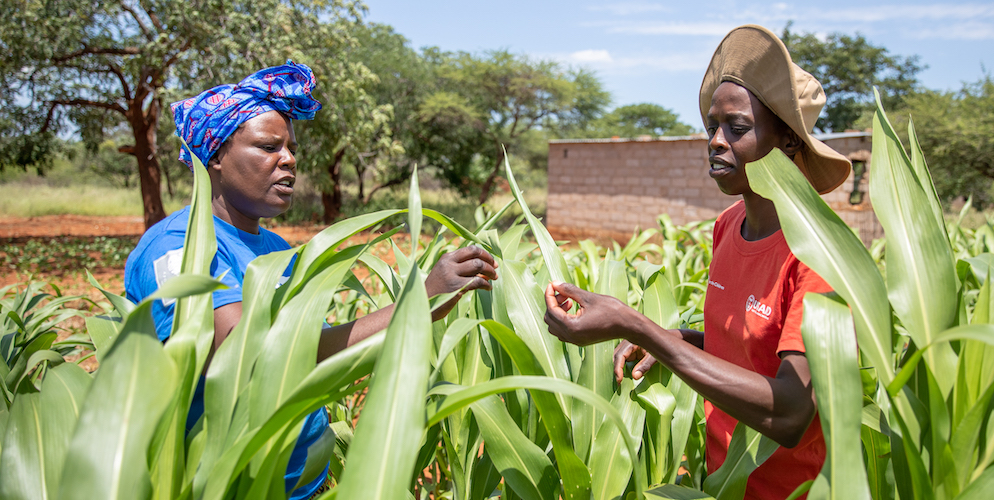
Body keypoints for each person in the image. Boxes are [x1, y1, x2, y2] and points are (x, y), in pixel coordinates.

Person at [124, 61, 497, 499]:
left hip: (298, 484)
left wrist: (428, 306)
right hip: (228, 486)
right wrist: (419, 300)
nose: (289, 159)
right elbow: (245, 356)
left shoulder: (276, 250)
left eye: (291, 148)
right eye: (267, 146)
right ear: (216, 157)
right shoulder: (179, 247)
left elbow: (317, 350)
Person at [543, 25, 851, 500]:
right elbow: (749, 350)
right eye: (712, 127)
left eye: (738, 128)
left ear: (789, 140)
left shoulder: (818, 251)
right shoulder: (728, 226)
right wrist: (675, 339)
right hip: (723, 481)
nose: (716, 141)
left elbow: (791, 412)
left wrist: (636, 327)